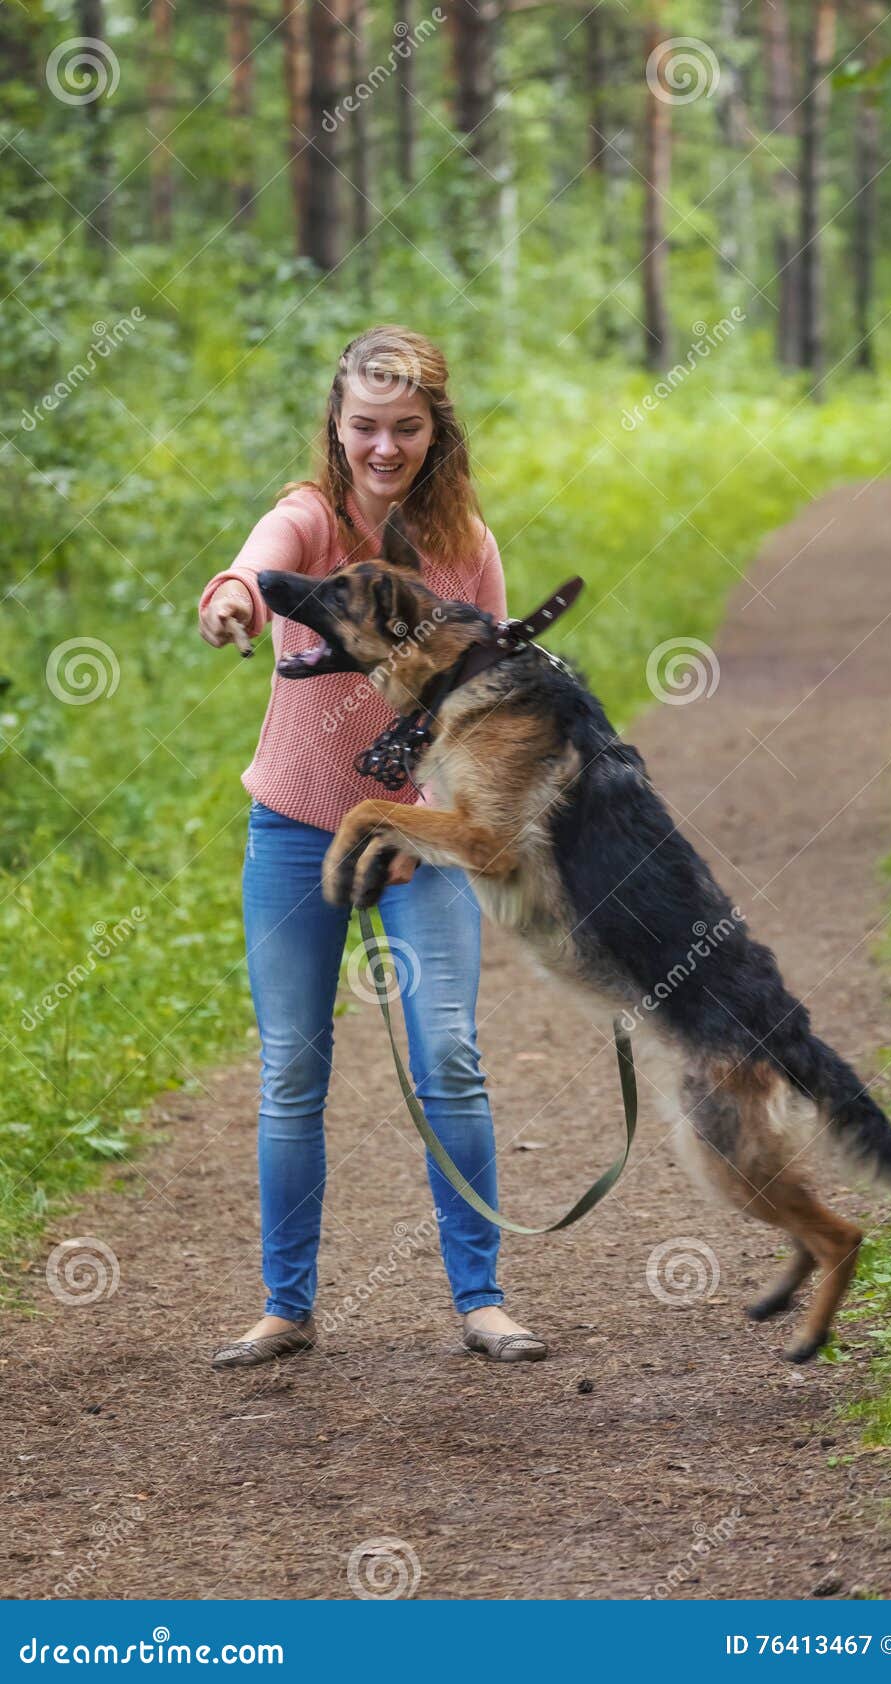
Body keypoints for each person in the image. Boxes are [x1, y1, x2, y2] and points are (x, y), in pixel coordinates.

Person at [197, 325, 547, 1367]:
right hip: (294, 829)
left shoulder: (464, 546)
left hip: (419, 838)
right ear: (336, 426)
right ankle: (285, 1306)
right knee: (293, 1068)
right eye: (364, 427)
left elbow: (481, 706)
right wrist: (231, 598)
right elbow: (261, 562)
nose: (383, 447)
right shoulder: (312, 517)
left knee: (449, 1054)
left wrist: (416, 825)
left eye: (404, 427)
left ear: (436, 427)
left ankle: (480, 1297)